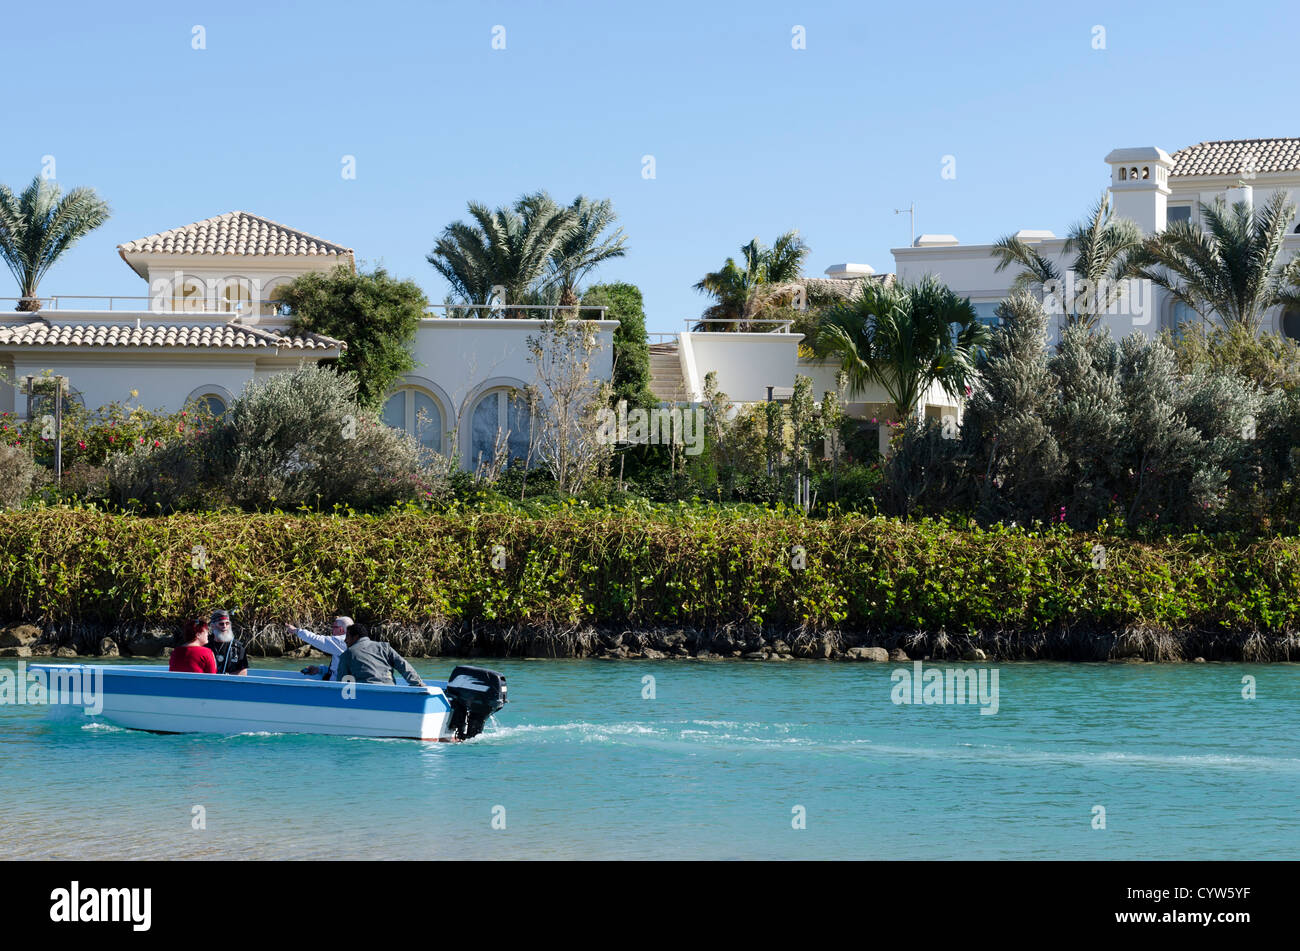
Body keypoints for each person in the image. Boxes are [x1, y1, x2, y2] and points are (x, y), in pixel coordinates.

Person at [336, 622, 425, 687]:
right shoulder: (384, 647)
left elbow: (342, 682)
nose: (345, 640)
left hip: (366, 694)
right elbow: (403, 665)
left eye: (347, 636)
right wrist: (417, 683)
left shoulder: (347, 654)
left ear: (355, 637)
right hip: (390, 689)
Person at [285, 616, 351, 680]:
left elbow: (316, 639)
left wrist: (296, 631)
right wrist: (320, 670)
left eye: (334, 627)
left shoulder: (342, 641)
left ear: (341, 629)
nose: (332, 630)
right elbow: (337, 669)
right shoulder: (349, 641)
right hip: (340, 683)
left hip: (339, 686)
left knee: (307, 682)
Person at [209, 608, 249, 675]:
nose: (225, 626)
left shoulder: (238, 647)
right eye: (221, 624)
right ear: (213, 626)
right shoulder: (205, 645)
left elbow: (243, 672)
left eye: (227, 623)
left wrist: (226, 677)